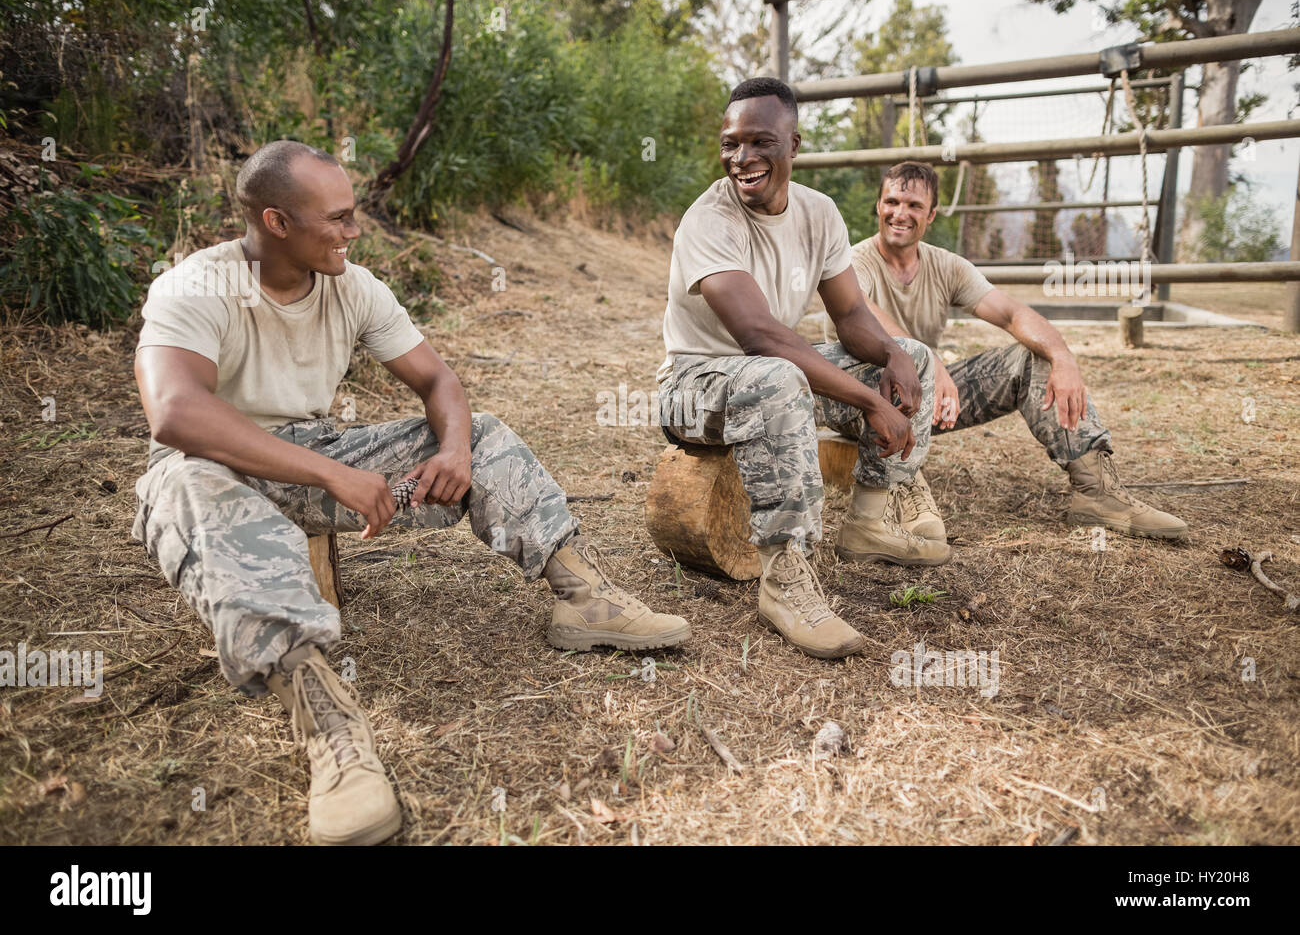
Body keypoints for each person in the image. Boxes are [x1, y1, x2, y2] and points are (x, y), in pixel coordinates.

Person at [131, 140, 690, 845]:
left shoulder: (352, 285)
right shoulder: (197, 285)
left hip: (314, 452)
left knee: (482, 434)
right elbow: (175, 413)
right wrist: (333, 475)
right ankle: (330, 729)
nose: (354, 229)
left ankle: (584, 596)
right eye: (336, 218)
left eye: (352, 213)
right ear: (276, 221)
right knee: (187, 486)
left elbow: (437, 381)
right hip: (209, 469)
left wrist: (453, 449)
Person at [657, 78, 947, 663]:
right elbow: (760, 336)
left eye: (760, 142)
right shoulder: (708, 220)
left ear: (793, 144)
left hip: (772, 377)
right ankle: (784, 580)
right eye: (730, 143)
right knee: (778, 375)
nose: (742, 158)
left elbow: (852, 316)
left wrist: (892, 354)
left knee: (913, 354)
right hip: (694, 387)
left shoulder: (819, 212)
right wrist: (871, 403)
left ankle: (869, 522)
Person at [850, 160, 1187, 542]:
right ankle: (904, 491)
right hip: (863, 397)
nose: (900, 213)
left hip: (926, 393)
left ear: (931, 214)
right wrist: (928, 360)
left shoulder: (945, 265)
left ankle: (1097, 492)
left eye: (913, 205)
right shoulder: (854, 261)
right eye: (892, 202)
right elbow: (862, 313)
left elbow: (1011, 314)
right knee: (900, 376)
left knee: (1033, 359)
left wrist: (1063, 357)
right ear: (879, 205)